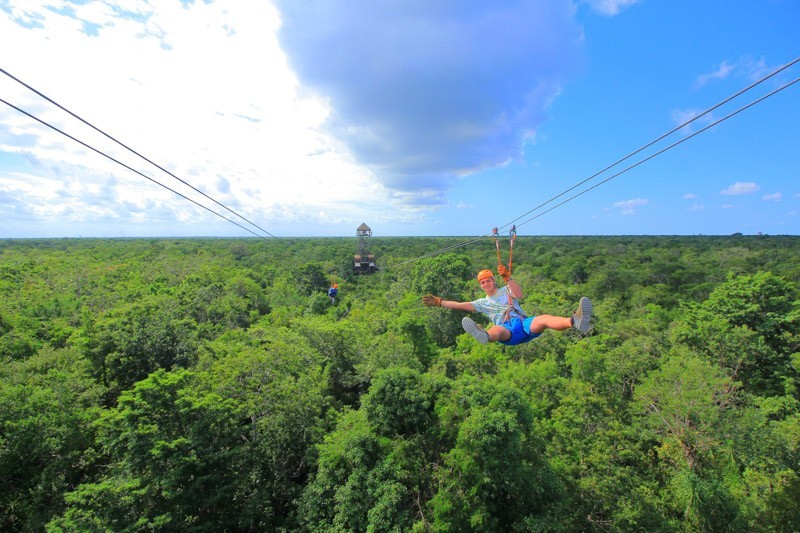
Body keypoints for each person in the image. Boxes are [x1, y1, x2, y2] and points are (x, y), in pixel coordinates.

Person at [422, 266, 592, 345]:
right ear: (480, 286)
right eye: (483, 282)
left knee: (543, 319)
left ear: (493, 281)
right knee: (497, 330)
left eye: (488, 280)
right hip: (507, 329)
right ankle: (485, 336)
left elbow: (518, 295)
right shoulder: (482, 303)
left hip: (523, 323)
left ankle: (575, 321)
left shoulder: (506, 290)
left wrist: (508, 278)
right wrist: (440, 303)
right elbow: (460, 305)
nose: (486, 284)